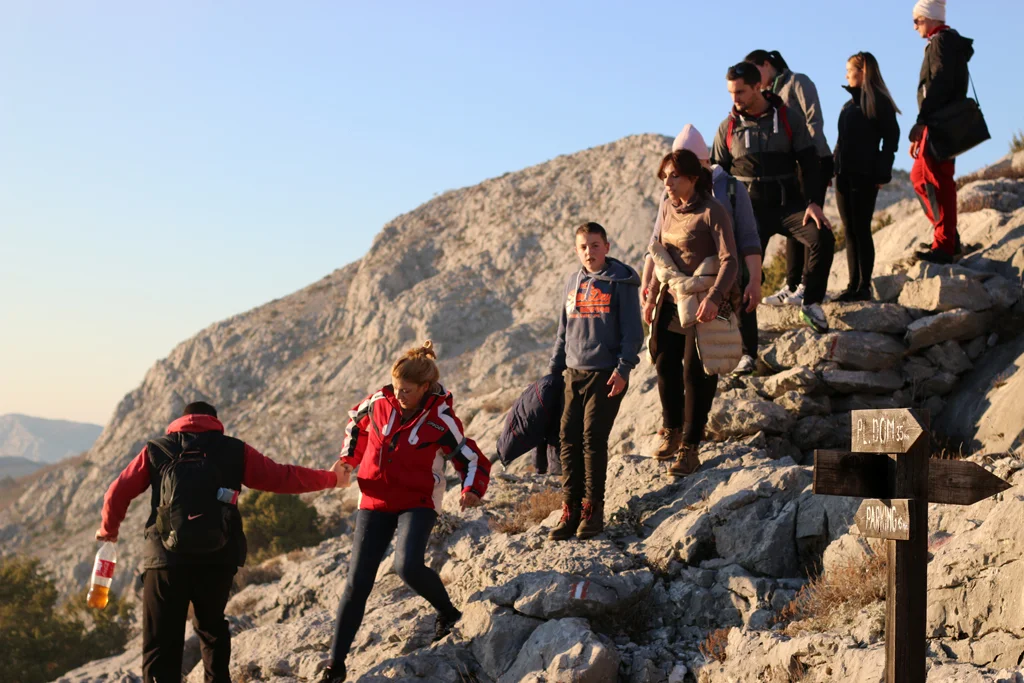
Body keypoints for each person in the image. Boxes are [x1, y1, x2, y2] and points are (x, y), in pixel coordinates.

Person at [95, 401, 347, 683]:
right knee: (212, 630)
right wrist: (331, 479)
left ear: (181, 421)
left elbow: (116, 492)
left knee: (160, 640)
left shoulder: (157, 449)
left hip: (165, 560)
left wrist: (109, 530)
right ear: (214, 421)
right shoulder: (234, 450)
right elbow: (282, 477)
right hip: (217, 557)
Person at [320, 341, 490, 683]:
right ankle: (334, 667)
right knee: (357, 583)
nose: (399, 395)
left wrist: (472, 490)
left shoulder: (441, 419)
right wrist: (348, 459)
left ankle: (447, 612)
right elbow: (356, 422)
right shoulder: (380, 401)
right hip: (374, 500)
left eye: (407, 391)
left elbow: (470, 457)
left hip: (418, 500)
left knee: (406, 565)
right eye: (397, 388)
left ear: (425, 387)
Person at [711, 62, 834, 339]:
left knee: (822, 236)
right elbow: (717, 175)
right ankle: (747, 352)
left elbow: (810, 162)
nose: (735, 99)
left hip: (787, 206)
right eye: (731, 93)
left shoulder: (789, 118)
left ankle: (811, 302)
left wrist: (813, 202)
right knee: (743, 273)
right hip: (748, 213)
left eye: (741, 92)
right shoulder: (727, 128)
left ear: (758, 87)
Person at [644, 149, 741, 472]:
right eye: (664, 177)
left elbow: (731, 260)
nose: (667, 183)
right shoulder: (668, 209)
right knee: (664, 363)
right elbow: (660, 256)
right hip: (671, 302)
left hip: (703, 305)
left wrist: (714, 298)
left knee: (696, 373)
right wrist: (652, 294)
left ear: (693, 178)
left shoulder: (713, 212)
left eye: (674, 176)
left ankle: (691, 446)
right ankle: (670, 431)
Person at [639, 124, 761, 375]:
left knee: (707, 362)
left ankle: (746, 357)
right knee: (676, 365)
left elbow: (748, 239)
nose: (673, 178)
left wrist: (755, 280)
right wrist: (648, 285)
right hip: (679, 292)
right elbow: (657, 244)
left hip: (722, 285)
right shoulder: (669, 200)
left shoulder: (730, 190)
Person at [548, 222, 643, 541]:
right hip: (574, 373)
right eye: (583, 247)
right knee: (567, 438)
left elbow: (633, 330)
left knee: (592, 439)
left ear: (607, 246)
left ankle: (593, 510)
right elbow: (564, 330)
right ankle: (570, 509)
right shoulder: (573, 282)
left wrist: (624, 368)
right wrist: (553, 371)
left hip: (606, 374)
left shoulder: (622, 282)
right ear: (577, 251)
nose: (589, 251)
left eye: (595, 245)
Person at [745, 50, 833, 308]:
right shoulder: (769, 94)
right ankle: (792, 284)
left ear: (767, 64)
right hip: (789, 168)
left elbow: (814, 119)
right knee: (793, 224)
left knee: (809, 219)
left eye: (755, 71)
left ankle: (807, 284)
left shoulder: (798, 81)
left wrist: (813, 157)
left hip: (812, 160)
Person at [909, 0, 975, 264]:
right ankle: (947, 236)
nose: (914, 26)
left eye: (917, 20)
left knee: (938, 181)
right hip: (939, 122)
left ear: (931, 18)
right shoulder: (942, 42)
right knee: (919, 177)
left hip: (939, 123)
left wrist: (922, 121)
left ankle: (945, 246)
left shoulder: (941, 42)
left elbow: (939, 84)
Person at [833, 52, 902, 301]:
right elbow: (840, 142)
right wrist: (832, 168)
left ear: (862, 72)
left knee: (861, 229)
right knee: (849, 230)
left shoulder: (879, 102)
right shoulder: (848, 106)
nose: (846, 74)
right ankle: (852, 285)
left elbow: (891, 140)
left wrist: (882, 172)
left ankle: (864, 286)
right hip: (843, 176)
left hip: (865, 176)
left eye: (849, 69)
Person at [496, 373, 563, 476]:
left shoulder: (542, 382)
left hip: (537, 416)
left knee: (541, 436)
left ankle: (542, 472)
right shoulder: (559, 384)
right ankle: (555, 474)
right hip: (546, 416)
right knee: (552, 435)